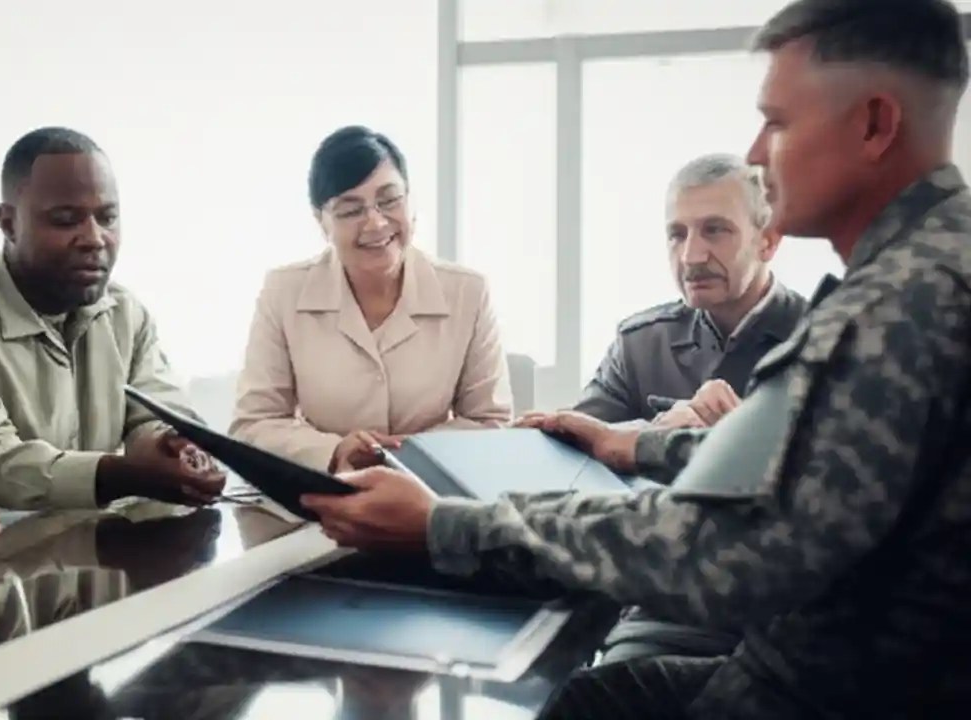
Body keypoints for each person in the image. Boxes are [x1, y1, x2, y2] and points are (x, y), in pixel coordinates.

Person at [299, 0, 971, 717]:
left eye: (778, 122)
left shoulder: (895, 308)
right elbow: (801, 482)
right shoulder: (928, 268)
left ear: (874, 124)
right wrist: (636, 446)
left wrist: (445, 525)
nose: (753, 153)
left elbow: (716, 547)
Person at [0, 127, 225, 511]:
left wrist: (174, 447)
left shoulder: (125, 314)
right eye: (67, 220)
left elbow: (155, 412)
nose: (95, 238)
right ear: (8, 223)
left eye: (107, 217)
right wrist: (119, 475)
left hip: (79, 550)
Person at [229, 126, 512, 473]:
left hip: (433, 497)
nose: (376, 222)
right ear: (321, 221)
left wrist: (406, 456)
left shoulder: (467, 291)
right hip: (327, 495)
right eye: (351, 210)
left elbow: (490, 421)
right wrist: (333, 452)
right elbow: (254, 424)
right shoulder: (283, 292)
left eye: (389, 199)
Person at [570, 153, 806, 428]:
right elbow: (572, 446)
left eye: (715, 230)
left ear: (767, 242)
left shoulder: (829, 343)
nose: (690, 257)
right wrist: (655, 432)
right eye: (677, 235)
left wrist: (743, 438)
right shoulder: (641, 345)